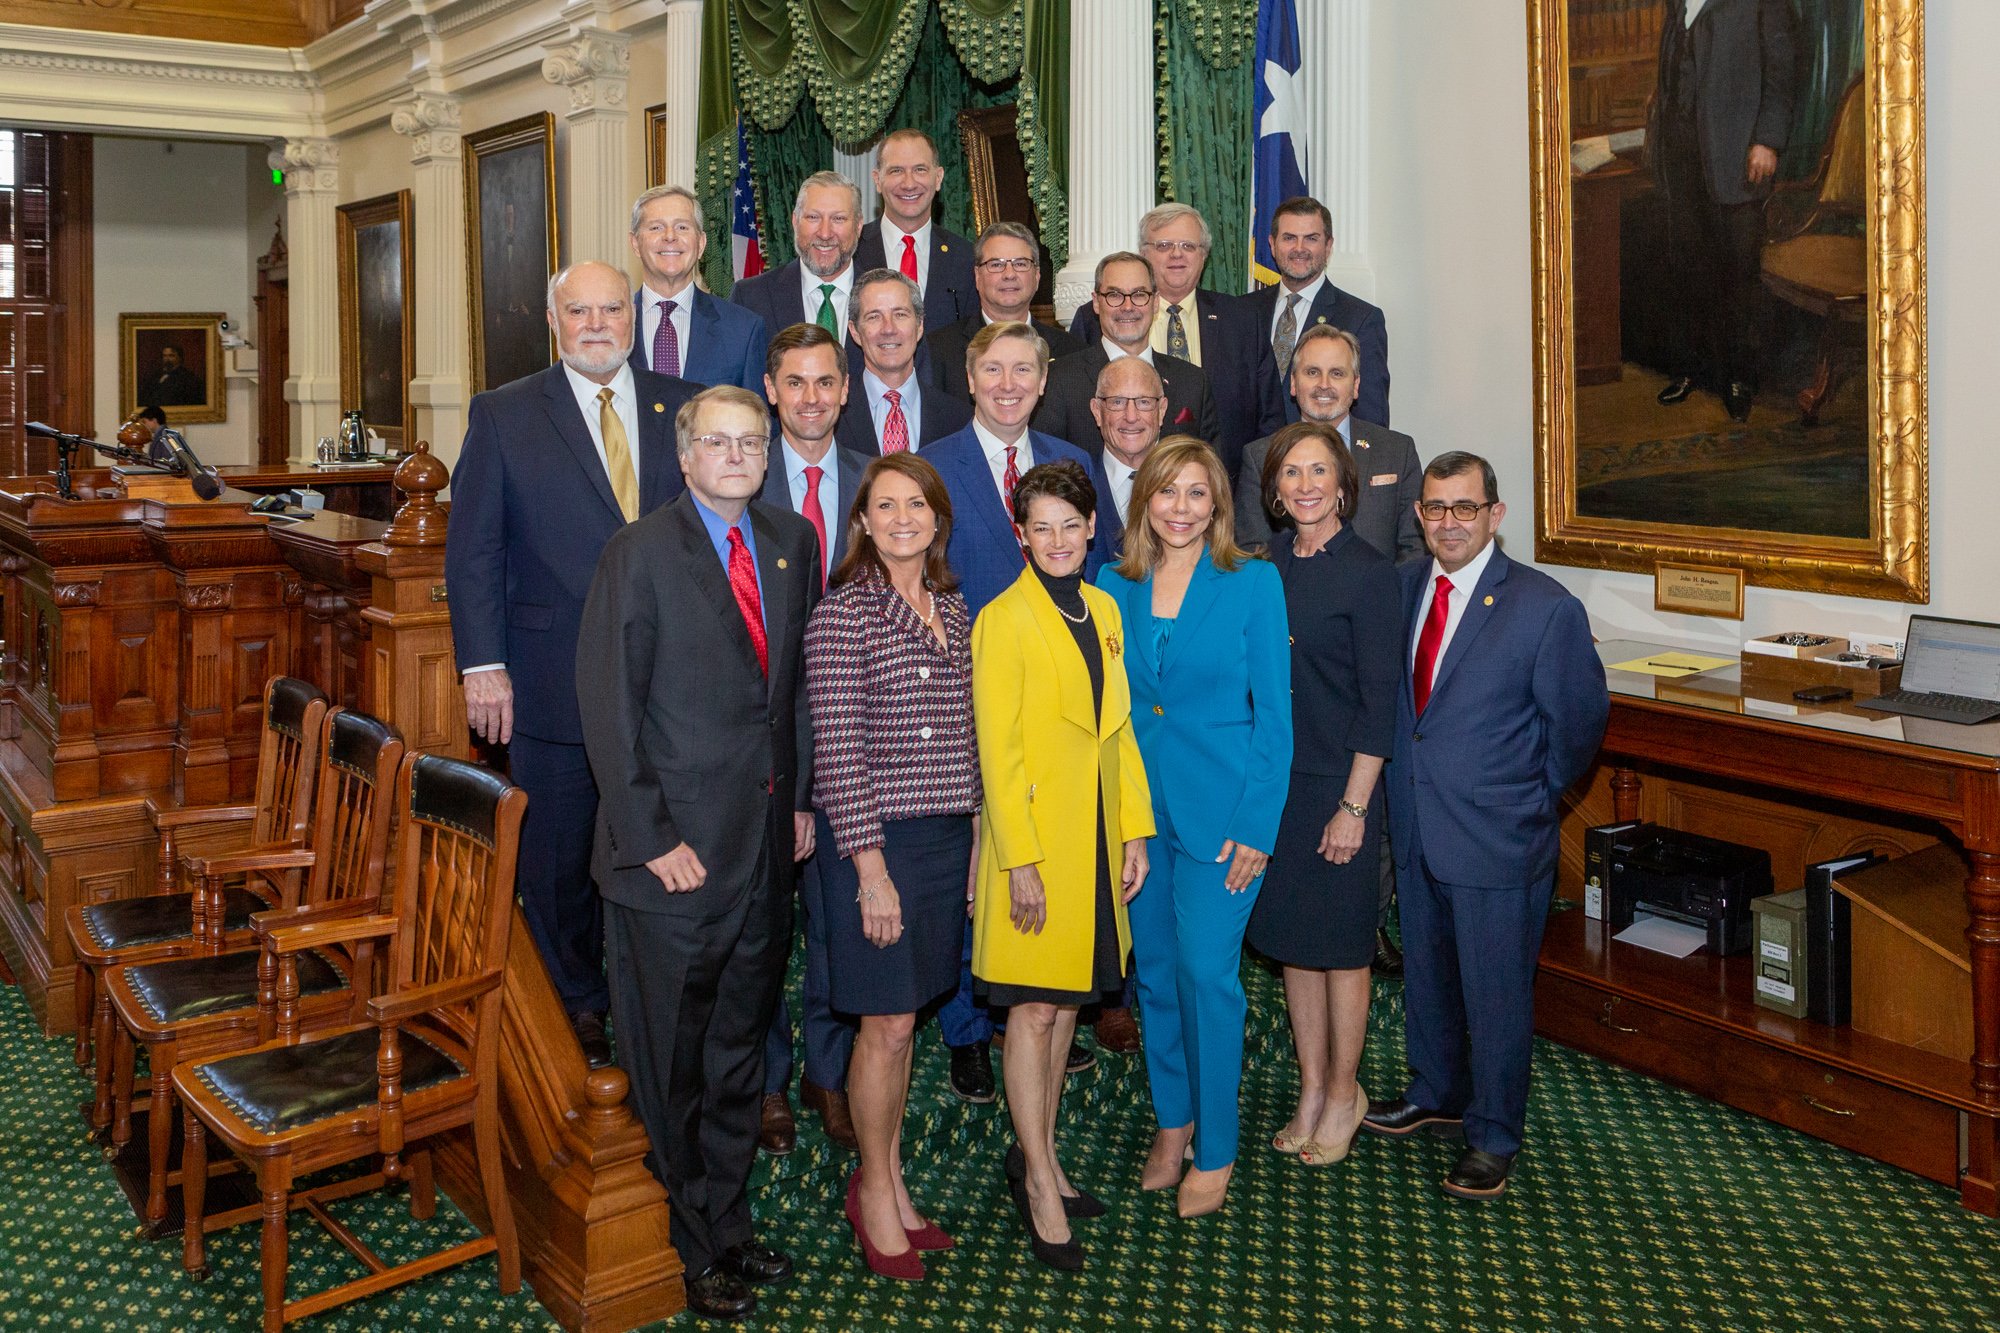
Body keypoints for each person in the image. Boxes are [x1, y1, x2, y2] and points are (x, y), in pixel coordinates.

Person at [576, 384, 819, 1321]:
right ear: (683, 456)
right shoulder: (638, 553)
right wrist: (650, 839)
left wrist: (796, 805)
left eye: (750, 441)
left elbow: (788, 692)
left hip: (762, 852)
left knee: (735, 1056)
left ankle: (728, 1221)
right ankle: (681, 1242)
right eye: (717, 441)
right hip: (671, 861)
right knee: (670, 1061)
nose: (736, 454)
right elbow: (609, 707)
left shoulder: (790, 542)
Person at [446, 260, 695, 1069]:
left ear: (635, 315)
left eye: (611, 309)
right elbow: (474, 550)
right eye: (578, 310)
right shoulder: (505, 413)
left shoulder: (677, 405)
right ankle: (574, 1002)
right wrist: (483, 664)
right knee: (556, 854)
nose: (597, 323)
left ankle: (641, 989)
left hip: (663, 677)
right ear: (553, 322)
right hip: (549, 677)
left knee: (652, 838)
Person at [1361, 451, 1609, 1202]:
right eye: (1435, 509)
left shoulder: (1543, 605)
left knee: (1497, 991)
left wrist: (1531, 797)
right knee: (1430, 975)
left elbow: (1580, 723)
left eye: (1464, 508)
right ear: (1419, 516)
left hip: (1500, 834)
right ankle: (1435, 1087)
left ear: (1495, 515)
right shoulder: (1403, 587)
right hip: (1417, 825)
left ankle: (1493, 1131)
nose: (1448, 523)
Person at [1095, 437, 1291, 1219]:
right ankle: (1173, 1124)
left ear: (1218, 505)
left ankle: (1217, 1147)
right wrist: (1116, 817)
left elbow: (1275, 719)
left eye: (1196, 494)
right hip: (1141, 819)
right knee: (1156, 976)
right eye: (1166, 491)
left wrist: (1257, 824)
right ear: (1144, 498)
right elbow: (1116, 714)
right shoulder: (1113, 582)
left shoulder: (1254, 583)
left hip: (1225, 817)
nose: (1180, 507)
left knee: (1209, 976)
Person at [971, 460, 1152, 1271]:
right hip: (1037, 846)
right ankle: (1038, 1176)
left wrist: (1136, 832)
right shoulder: (1002, 620)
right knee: (1034, 1014)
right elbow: (997, 753)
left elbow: (1119, 732)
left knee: (1069, 1006)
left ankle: (1041, 1152)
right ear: (1021, 534)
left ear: (1090, 530)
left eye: (1069, 525)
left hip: (1099, 834)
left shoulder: (1106, 607)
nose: (1055, 539)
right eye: (1039, 526)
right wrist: (1020, 863)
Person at [920, 320, 1106, 1101]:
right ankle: (968, 1025)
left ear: (1042, 380)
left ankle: (1048, 1001)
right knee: (977, 864)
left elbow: (1088, 581)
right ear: (971, 379)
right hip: (962, 692)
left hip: (1056, 704)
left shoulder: (1075, 462)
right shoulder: (934, 465)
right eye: (993, 369)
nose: (1007, 383)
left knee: (1046, 857)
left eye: (1023, 370)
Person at [805, 452, 980, 1280]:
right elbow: (838, 754)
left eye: (918, 503)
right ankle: (872, 1188)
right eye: (886, 505)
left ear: (938, 518)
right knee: (887, 1024)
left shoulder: (956, 605)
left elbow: (973, 739)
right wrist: (871, 871)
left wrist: (982, 844)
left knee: (909, 1020)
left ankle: (895, 1179)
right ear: (863, 522)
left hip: (947, 840)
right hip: (877, 845)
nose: (904, 517)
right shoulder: (842, 614)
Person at [1242, 422, 1403, 1168]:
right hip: (1277, 785)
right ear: (1274, 490)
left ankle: (1345, 1091)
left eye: (1319, 472)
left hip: (1342, 788)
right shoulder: (1261, 566)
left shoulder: (1372, 573)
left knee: (1342, 951)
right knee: (1293, 949)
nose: (1305, 486)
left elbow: (1381, 705)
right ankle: (1311, 1087)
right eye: (1291, 474)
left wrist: (1354, 805)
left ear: (1344, 484)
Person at [755, 321, 872, 1154]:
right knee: (762, 923)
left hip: (853, 734)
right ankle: (765, 1080)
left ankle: (827, 1074)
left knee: (836, 921)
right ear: (771, 390)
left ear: (846, 387)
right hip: (760, 736)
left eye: (825, 381)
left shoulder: (879, 484)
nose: (811, 398)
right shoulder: (738, 477)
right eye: (794, 382)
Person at [1648, 0, 1798, 423]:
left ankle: (1739, 378)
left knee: (1738, 273)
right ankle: (1693, 369)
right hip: (1683, 153)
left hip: (1736, 156)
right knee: (1690, 265)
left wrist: (1767, 139)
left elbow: (1782, 70)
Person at [1066, 204, 1284, 474]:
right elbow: (1072, 394)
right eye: (1164, 245)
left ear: (1204, 256)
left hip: (1224, 488)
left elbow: (1271, 420)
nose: (1177, 254)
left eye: (1188, 246)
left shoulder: (1243, 320)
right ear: (1144, 254)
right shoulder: (1097, 316)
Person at [1236, 325, 1422, 565]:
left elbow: (1414, 550)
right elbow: (1252, 553)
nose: (1324, 384)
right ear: (1293, 383)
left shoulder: (1397, 451)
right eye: (1312, 372)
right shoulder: (1259, 456)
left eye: (1337, 373)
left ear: (1355, 386)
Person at [1033, 252, 1219, 460]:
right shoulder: (1059, 379)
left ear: (1155, 302)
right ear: (1096, 302)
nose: (1127, 307)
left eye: (1139, 294)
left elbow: (1210, 473)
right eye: (1114, 295)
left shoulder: (1192, 382)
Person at [1245, 195, 1391, 427]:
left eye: (1311, 239)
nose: (1299, 249)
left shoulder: (1361, 319)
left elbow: (1371, 418)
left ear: (1328, 245)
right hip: (1249, 459)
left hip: (1321, 459)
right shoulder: (1243, 311)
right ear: (1272, 244)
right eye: (1289, 238)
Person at [626, 184, 769, 392]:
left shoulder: (743, 329)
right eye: (656, 227)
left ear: (701, 244)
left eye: (682, 227)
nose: (670, 236)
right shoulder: (612, 326)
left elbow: (758, 419)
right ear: (635, 243)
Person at [928, 222, 1081, 403]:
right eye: (996, 264)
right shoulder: (937, 351)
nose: (1009, 274)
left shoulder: (1073, 353)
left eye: (1021, 263)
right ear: (977, 276)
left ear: (1037, 276)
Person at [833, 270, 970, 456]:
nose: (888, 329)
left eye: (900, 314)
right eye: (874, 316)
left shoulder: (960, 419)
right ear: (855, 331)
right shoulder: (831, 416)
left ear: (920, 325)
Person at [852, 128, 978, 331]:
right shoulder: (851, 250)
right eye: (896, 171)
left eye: (920, 170)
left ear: (938, 178)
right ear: (877, 180)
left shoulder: (966, 257)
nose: (909, 184)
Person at [730, 171, 865, 354]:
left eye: (838, 219)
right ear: (795, 221)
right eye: (813, 217)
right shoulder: (750, 298)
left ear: (858, 226)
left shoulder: (885, 297)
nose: (825, 233)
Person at [140, 343, 204, 407]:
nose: (167, 359)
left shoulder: (188, 377)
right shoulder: (156, 375)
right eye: (164, 356)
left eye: (171, 356)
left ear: (180, 358)